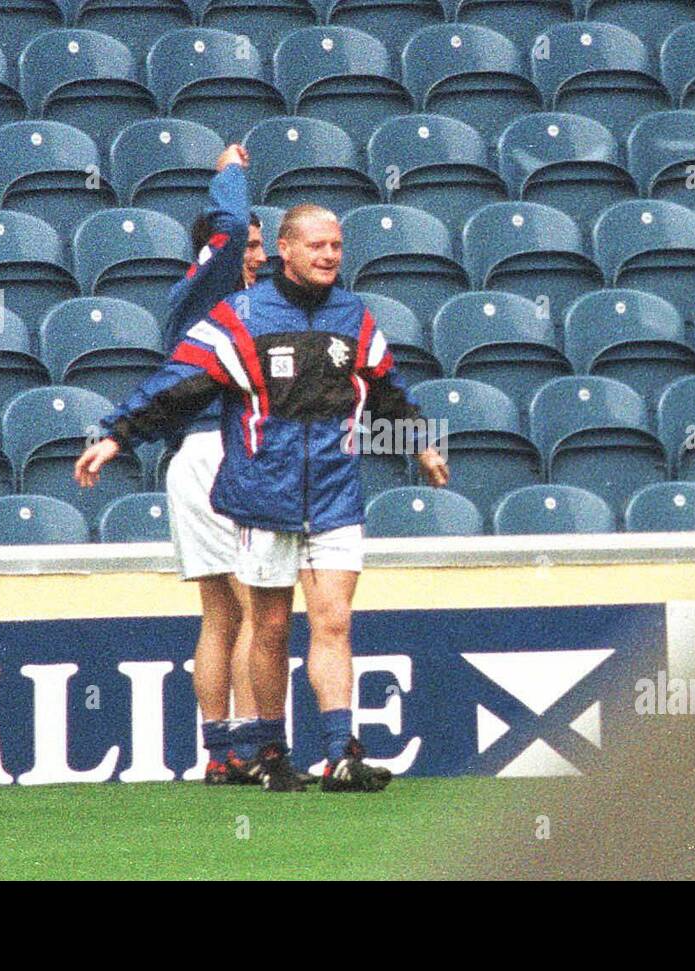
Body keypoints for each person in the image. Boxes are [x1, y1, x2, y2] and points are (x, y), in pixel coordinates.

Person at [75, 204, 450, 793]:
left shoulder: (356, 317)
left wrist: (422, 444)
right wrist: (116, 434)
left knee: (335, 621)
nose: (330, 255)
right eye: (318, 245)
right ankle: (272, 751)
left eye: (337, 246)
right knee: (271, 627)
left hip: (334, 493)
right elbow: (177, 383)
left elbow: (388, 391)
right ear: (286, 249)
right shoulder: (239, 315)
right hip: (260, 495)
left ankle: (340, 754)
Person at [151, 143, 271, 785]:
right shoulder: (212, 286)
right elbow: (226, 227)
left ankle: (219, 752)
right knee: (259, 609)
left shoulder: (198, 299)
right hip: (221, 455)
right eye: (251, 246)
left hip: (191, 459)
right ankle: (254, 749)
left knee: (220, 614)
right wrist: (229, 172)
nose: (259, 255)